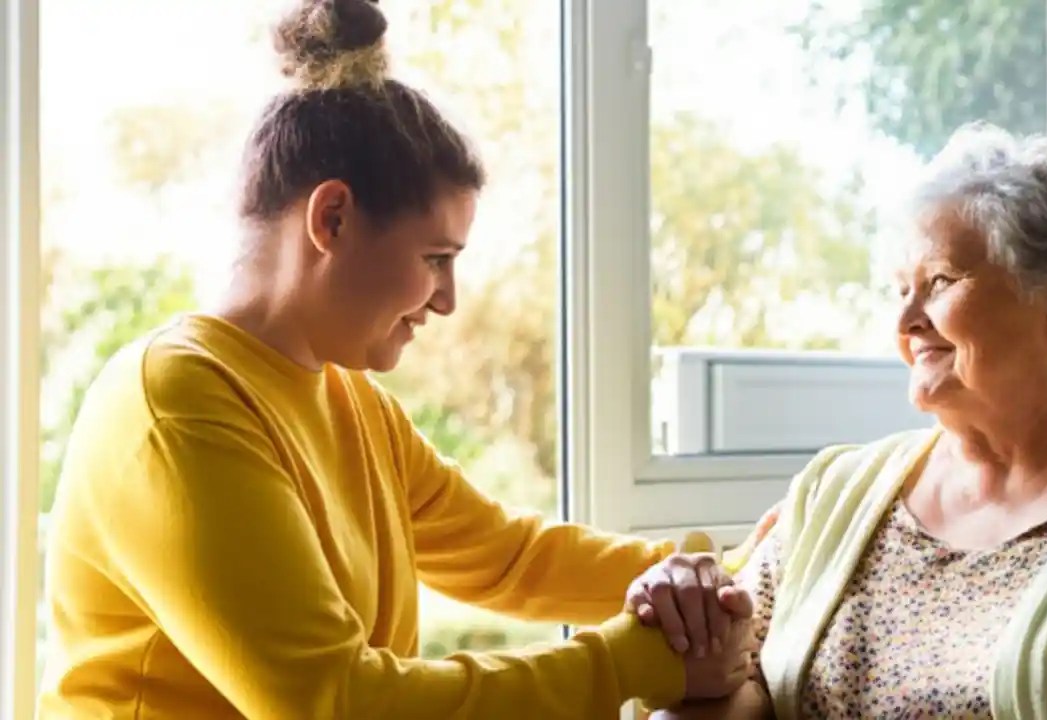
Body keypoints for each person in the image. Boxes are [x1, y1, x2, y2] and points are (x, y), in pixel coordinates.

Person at [37, 1, 755, 717]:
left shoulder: (356, 406)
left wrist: (711, 578)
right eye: (435, 259)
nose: (446, 301)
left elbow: (511, 560)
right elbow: (335, 702)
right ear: (332, 219)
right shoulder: (176, 403)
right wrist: (633, 661)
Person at [655, 123, 1047, 719]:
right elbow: (746, 685)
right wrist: (692, 636)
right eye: (900, 289)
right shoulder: (835, 490)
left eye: (940, 281)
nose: (906, 323)